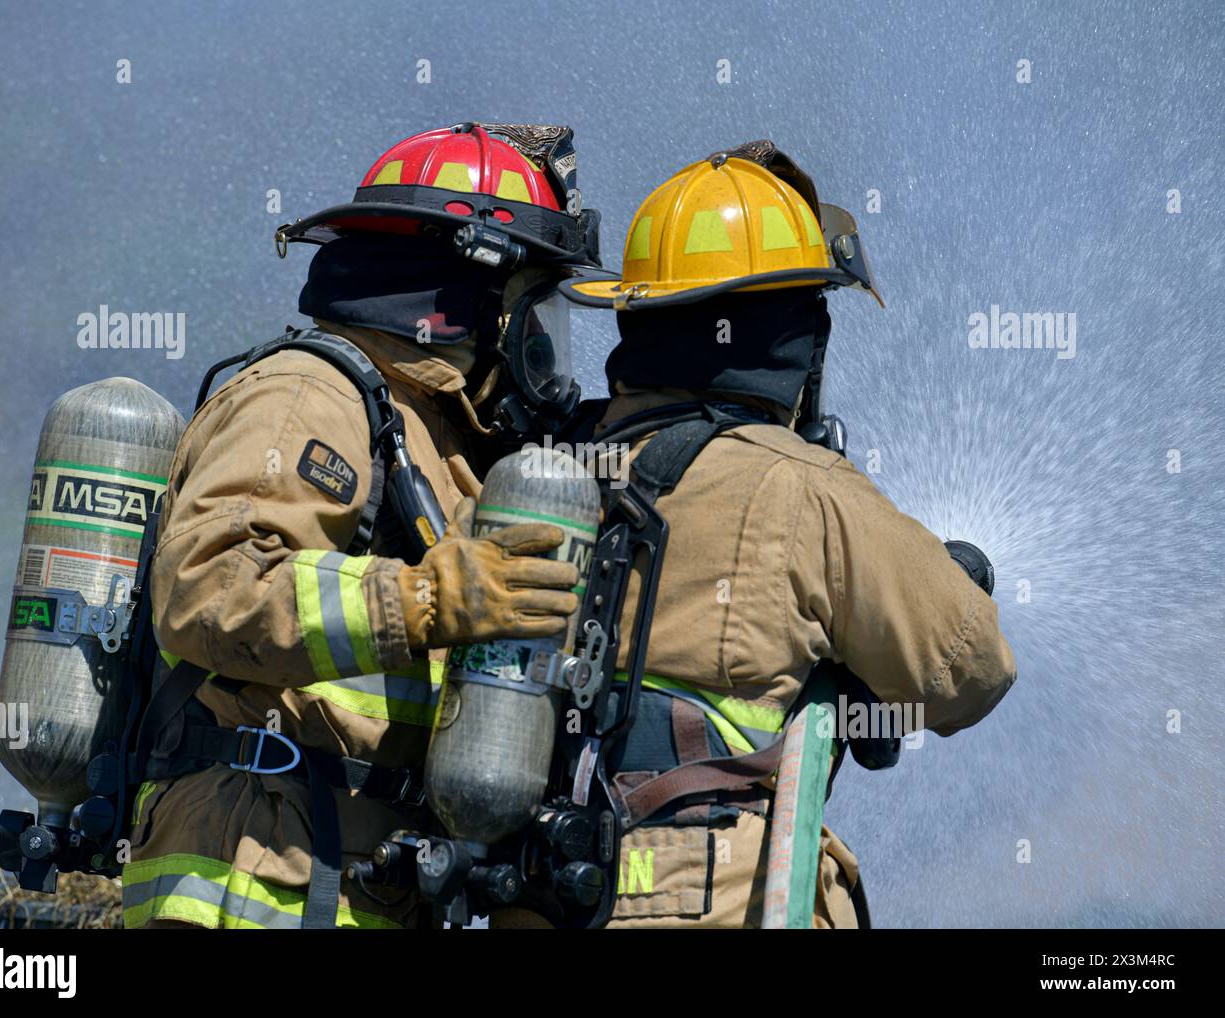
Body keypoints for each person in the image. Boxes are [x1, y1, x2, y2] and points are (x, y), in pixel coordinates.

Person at [122, 123, 601, 929]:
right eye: (535, 313)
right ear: (471, 297)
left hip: (352, 883)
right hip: (250, 880)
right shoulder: (310, 398)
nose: (545, 353)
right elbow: (210, 587)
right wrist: (417, 602)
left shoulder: (433, 439)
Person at [535, 140, 1018, 928]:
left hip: (545, 896)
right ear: (795, 336)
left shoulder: (544, 470)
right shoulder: (801, 489)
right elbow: (971, 669)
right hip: (713, 901)